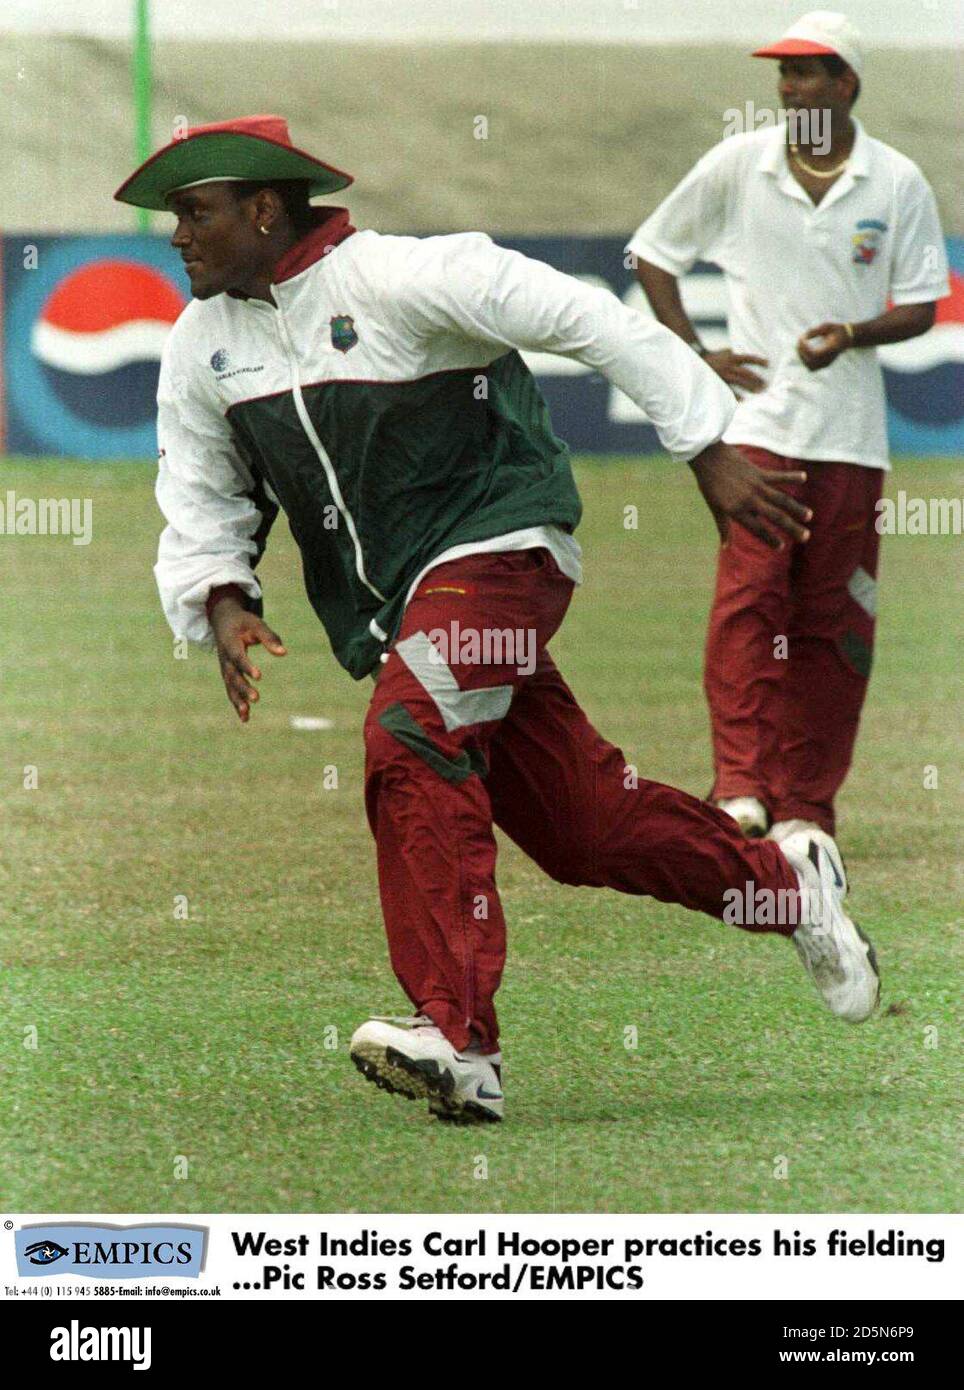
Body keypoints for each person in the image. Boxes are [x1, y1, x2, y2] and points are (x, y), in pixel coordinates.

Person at [115, 114, 879, 1126]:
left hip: (504, 548)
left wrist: (704, 441)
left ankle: (459, 1039)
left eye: (195, 210)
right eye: (175, 215)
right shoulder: (199, 343)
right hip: (405, 609)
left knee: (408, 732)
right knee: (586, 828)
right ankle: (787, 888)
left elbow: (586, 317)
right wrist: (221, 597)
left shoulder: (401, 276)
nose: (178, 235)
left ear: (263, 208)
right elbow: (202, 487)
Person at [628, 10, 949, 842]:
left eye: (809, 73)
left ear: (848, 83)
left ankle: (807, 802)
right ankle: (741, 784)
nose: (791, 88)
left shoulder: (897, 180)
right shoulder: (740, 164)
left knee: (835, 621)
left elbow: (920, 305)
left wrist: (851, 333)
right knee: (748, 603)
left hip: (850, 438)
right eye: (783, 73)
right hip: (757, 430)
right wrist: (693, 355)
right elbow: (654, 252)